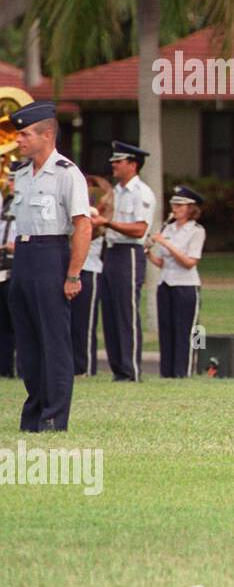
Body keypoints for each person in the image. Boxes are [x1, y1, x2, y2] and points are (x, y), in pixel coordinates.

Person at [7, 101, 91, 432]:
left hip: (51, 255)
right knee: (28, 343)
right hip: (24, 256)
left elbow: (83, 225)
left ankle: (54, 416)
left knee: (53, 342)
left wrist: (73, 274)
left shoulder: (67, 174)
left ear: (47, 134)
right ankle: (34, 413)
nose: (19, 140)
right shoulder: (22, 174)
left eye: (25, 134)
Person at [94, 141, 155, 381]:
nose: (114, 165)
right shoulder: (115, 192)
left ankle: (131, 370)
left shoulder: (142, 193)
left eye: (119, 161)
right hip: (110, 251)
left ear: (133, 164)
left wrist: (106, 223)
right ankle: (118, 369)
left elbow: (140, 229)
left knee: (126, 311)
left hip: (129, 253)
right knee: (109, 312)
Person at [146, 185, 206, 378]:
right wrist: (147, 252)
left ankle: (183, 372)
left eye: (181, 206)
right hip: (166, 283)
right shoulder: (168, 228)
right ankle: (167, 373)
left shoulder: (196, 231)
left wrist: (165, 243)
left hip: (186, 285)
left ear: (191, 208)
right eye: (174, 205)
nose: (176, 209)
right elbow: (163, 262)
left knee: (185, 331)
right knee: (167, 329)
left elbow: (189, 262)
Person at [70, 178, 105, 376]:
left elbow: (87, 231)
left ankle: (87, 367)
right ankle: (76, 366)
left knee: (86, 323)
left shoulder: (92, 216)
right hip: (75, 271)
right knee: (73, 323)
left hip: (90, 271)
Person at [0, 167, 18, 377]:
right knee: (3, 323)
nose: (11, 183)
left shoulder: (25, 204)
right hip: (3, 266)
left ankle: (22, 369)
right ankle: (4, 369)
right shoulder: (6, 202)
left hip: (17, 266)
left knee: (18, 323)